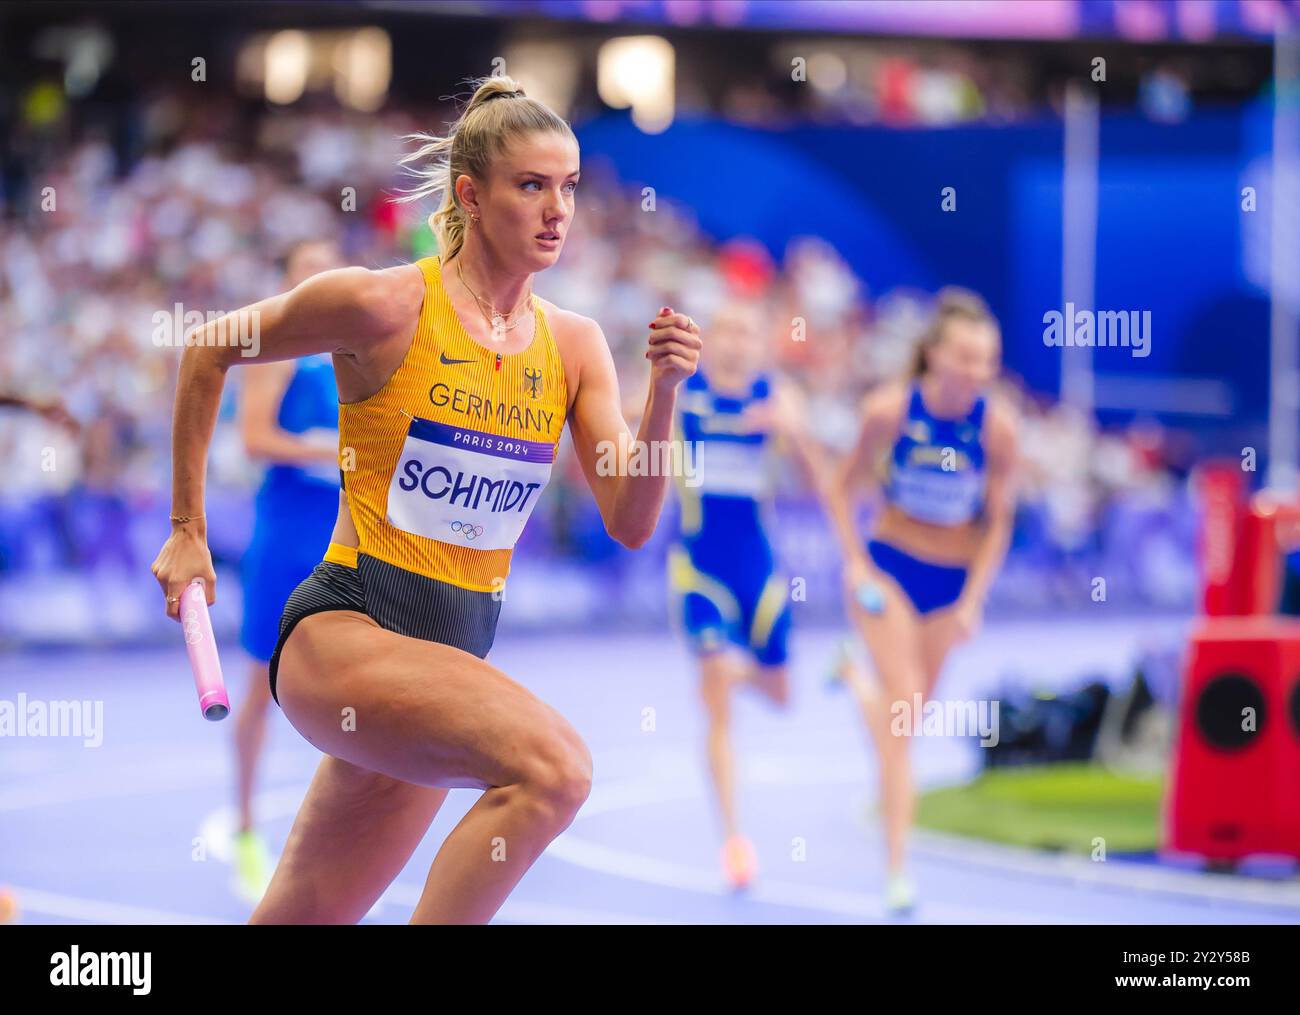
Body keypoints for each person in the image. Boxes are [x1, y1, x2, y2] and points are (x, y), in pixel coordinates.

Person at [150, 75, 702, 924]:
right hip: (348, 634)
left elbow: (632, 521)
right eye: (532, 186)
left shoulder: (576, 345)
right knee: (556, 769)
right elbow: (208, 347)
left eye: (571, 187)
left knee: (299, 915)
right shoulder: (382, 304)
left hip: (442, 664)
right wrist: (187, 528)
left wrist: (663, 393)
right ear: (472, 196)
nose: (558, 209)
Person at [824, 288, 1019, 914]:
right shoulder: (888, 411)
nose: (976, 372)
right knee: (904, 708)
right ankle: (897, 871)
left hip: (951, 587)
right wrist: (855, 564)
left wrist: (974, 603)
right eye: (965, 357)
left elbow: (998, 522)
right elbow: (840, 485)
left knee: (903, 725)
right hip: (891, 573)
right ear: (934, 354)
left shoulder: (997, 426)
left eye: (986, 361)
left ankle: (853, 677)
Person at [667, 298, 824, 888]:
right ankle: (734, 841)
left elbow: (818, 480)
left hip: (758, 568)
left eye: (746, 331)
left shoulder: (778, 398)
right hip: (699, 566)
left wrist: (794, 433)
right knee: (714, 695)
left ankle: (736, 671)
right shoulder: (686, 392)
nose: (735, 341)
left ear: (761, 342)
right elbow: (629, 433)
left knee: (783, 695)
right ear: (710, 338)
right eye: (726, 328)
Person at [231, 239, 345, 904]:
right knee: (261, 686)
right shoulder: (275, 349)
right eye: (306, 272)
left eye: (330, 271)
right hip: (287, 531)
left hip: (346, 533)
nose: (320, 282)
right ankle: (246, 825)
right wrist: (330, 449)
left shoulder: (357, 350)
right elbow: (254, 438)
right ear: (289, 282)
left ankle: (337, 839)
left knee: (354, 690)